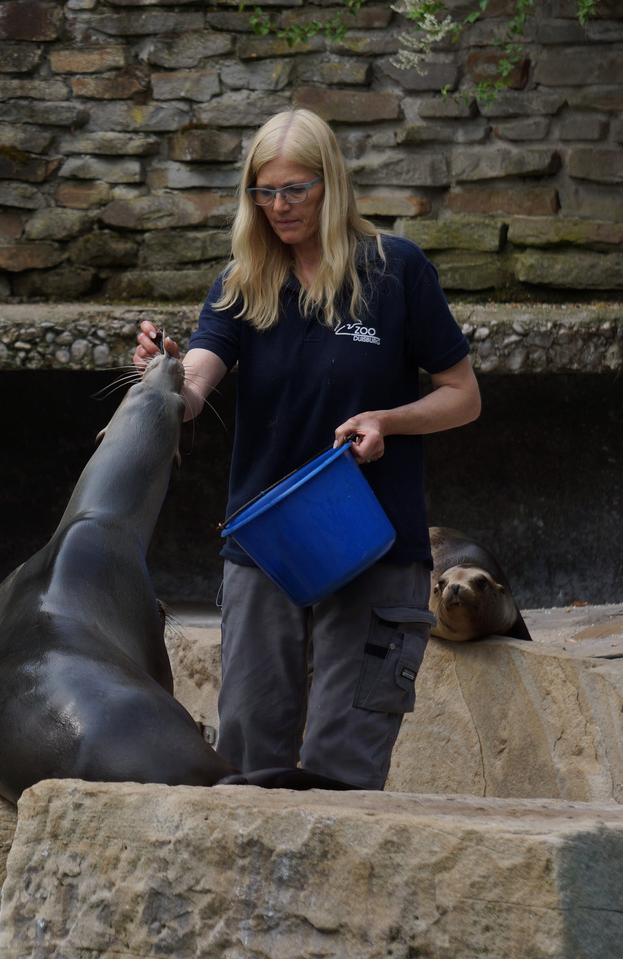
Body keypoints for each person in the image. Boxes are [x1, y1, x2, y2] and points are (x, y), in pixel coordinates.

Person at [133, 108, 480, 790]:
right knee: (246, 760)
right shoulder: (244, 282)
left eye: (296, 190)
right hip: (267, 551)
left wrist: (389, 419)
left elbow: (463, 396)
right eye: (264, 193)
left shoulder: (396, 271)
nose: (279, 207)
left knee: (342, 769)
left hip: (376, 550)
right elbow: (198, 381)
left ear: (333, 185)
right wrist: (166, 378)